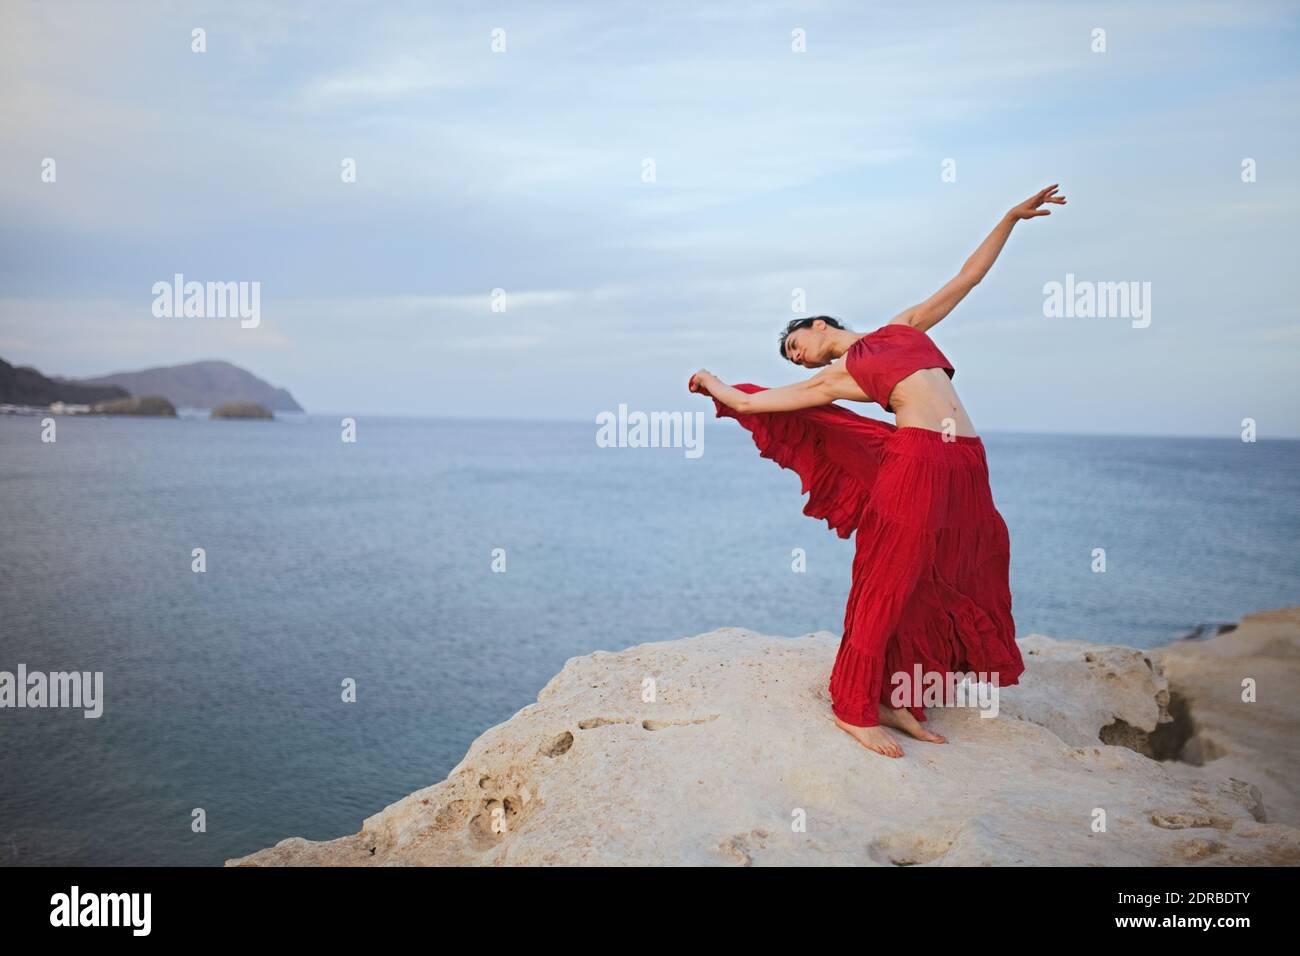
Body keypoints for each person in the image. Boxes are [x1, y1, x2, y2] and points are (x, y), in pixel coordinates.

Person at [688, 185, 1066, 757]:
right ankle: (853, 706)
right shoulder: (838, 377)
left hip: (966, 462)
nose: (797, 357)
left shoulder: (902, 330)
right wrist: (713, 381)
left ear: (819, 324)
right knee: (890, 577)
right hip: (916, 462)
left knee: (964, 565)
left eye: (796, 344)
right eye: (791, 358)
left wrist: (1010, 217)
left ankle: (895, 696)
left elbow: (968, 278)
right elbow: (750, 405)